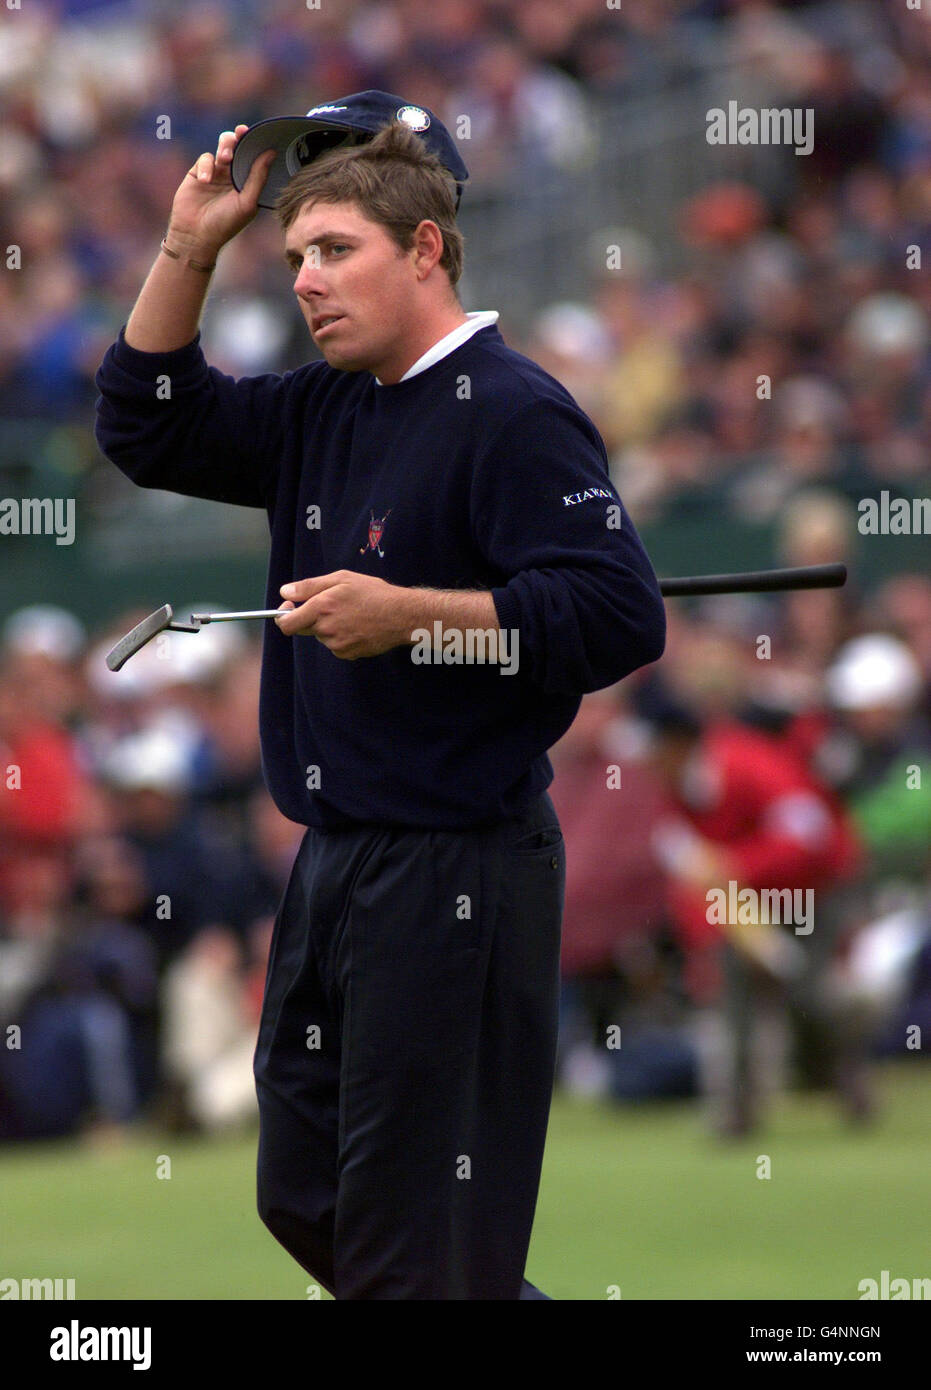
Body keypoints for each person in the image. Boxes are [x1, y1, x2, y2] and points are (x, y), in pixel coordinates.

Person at [93, 91, 666, 1300]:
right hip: (337, 861)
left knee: (413, 1251)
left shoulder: (515, 410)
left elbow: (616, 614)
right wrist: (191, 247)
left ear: (426, 250)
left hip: (458, 866)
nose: (304, 281)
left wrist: (414, 614)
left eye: (335, 251)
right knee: (308, 1200)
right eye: (296, 256)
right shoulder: (325, 402)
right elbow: (146, 424)